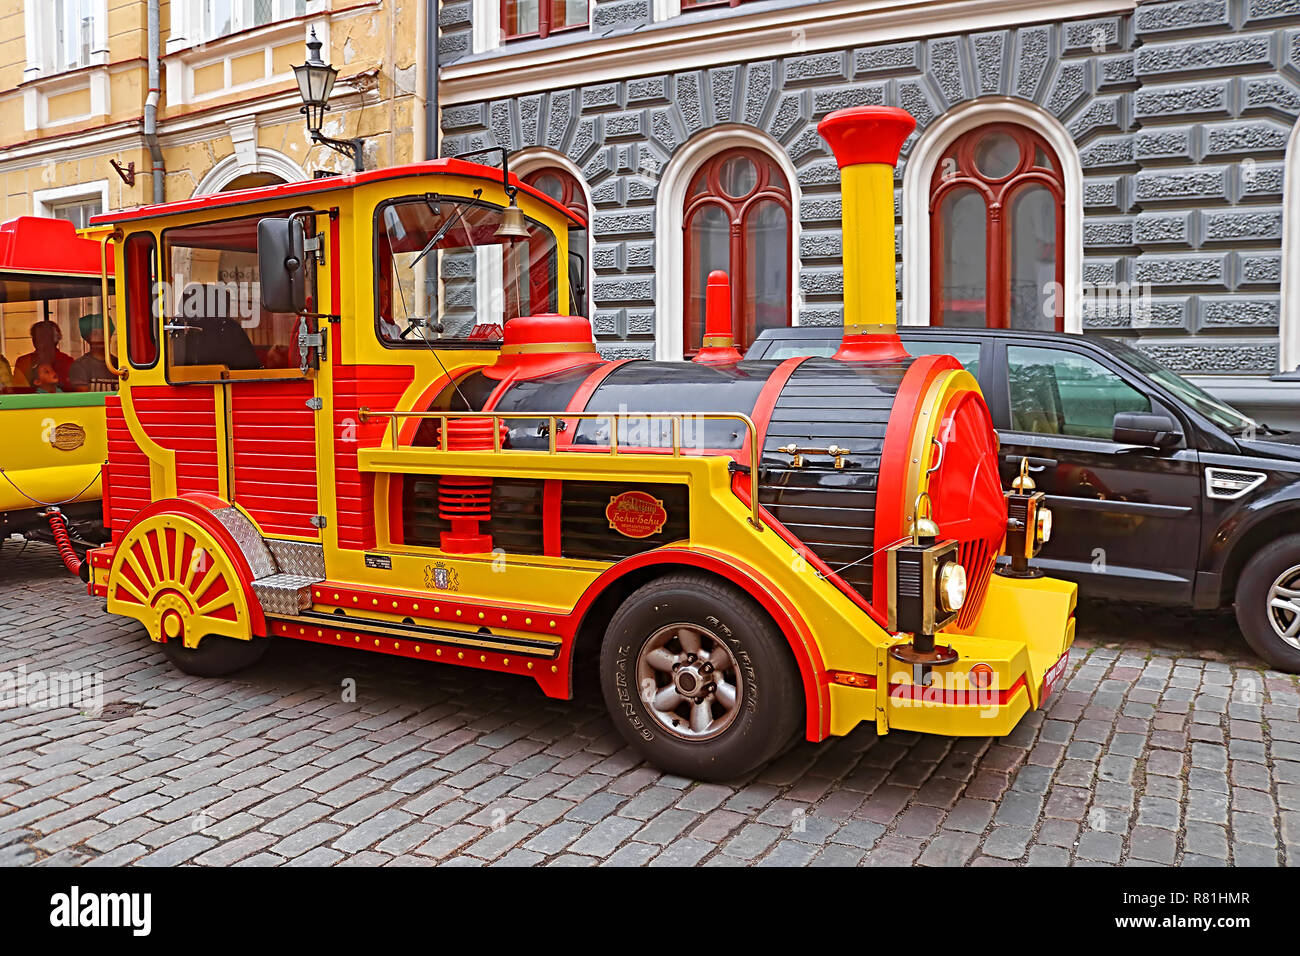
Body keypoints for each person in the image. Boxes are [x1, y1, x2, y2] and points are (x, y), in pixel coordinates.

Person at [13, 320, 73, 392]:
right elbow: (19, 392)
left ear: (55, 339)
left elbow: (74, 392)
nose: (40, 341)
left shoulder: (66, 361)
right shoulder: (24, 362)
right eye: (37, 337)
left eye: (45, 337)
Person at [69, 314, 116, 391]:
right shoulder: (80, 366)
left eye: (104, 333)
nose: (100, 337)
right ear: (87, 338)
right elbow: (84, 399)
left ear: (109, 336)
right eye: (95, 334)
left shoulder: (118, 364)